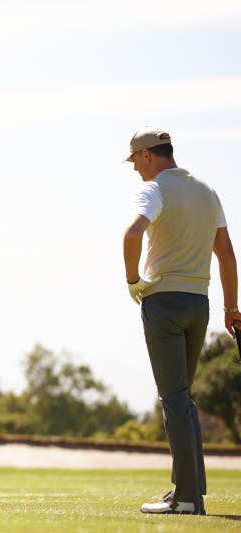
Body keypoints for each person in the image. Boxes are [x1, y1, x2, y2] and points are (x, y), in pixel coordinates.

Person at [122, 128, 240, 515]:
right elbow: (226, 254)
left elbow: (132, 233)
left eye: (135, 161)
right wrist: (231, 309)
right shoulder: (208, 191)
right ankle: (189, 491)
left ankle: (186, 497)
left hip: (163, 303)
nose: (135, 169)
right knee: (184, 398)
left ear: (147, 155)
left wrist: (133, 281)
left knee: (174, 400)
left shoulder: (154, 189)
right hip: (200, 304)